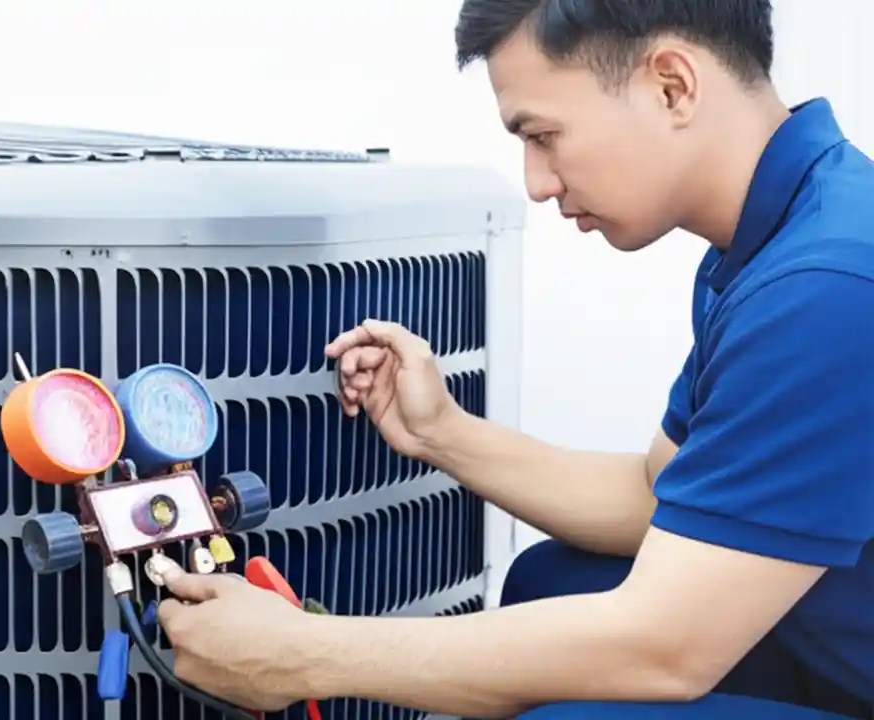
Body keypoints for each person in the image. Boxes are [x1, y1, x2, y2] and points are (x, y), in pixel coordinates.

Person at [153, 1, 874, 718]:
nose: (536, 181)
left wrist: (303, 652)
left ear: (672, 87)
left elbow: (666, 647)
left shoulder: (826, 285)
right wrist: (441, 433)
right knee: (551, 582)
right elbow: (658, 494)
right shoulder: (777, 240)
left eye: (544, 135)